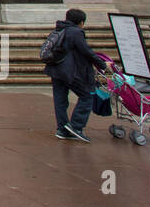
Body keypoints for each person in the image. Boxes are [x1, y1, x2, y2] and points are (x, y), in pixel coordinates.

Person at [44, 8, 109, 142]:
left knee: (60, 100)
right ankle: (76, 126)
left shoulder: (59, 29)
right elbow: (86, 51)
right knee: (87, 96)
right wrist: (103, 64)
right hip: (70, 72)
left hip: (56, 70)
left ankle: (62, 129)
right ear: (81, 22)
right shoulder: (75, 32)